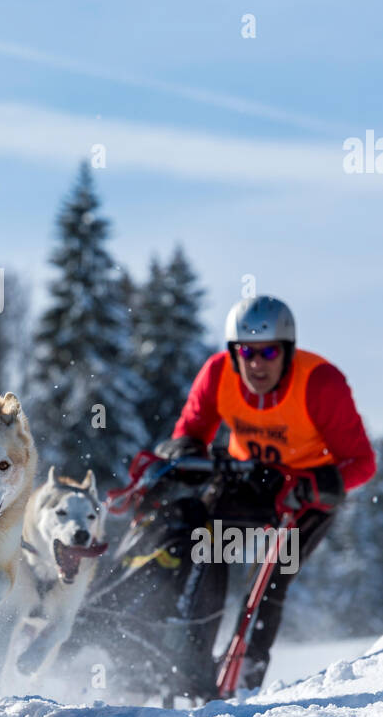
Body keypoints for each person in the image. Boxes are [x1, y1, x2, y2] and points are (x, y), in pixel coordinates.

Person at [155, 295, 376, 692]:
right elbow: (190, 431)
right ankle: (193, 673)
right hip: (247, 480)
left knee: (271, 577)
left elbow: (361, 462)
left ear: (288, 352)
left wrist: (318, 484)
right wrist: (183, 450)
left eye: (269, 351)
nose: (257, 363)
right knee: (207, 552)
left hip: (305, 494)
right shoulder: (218, 374)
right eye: (247, 352)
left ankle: (245, 682)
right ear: (233, 353)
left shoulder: (322, 383)